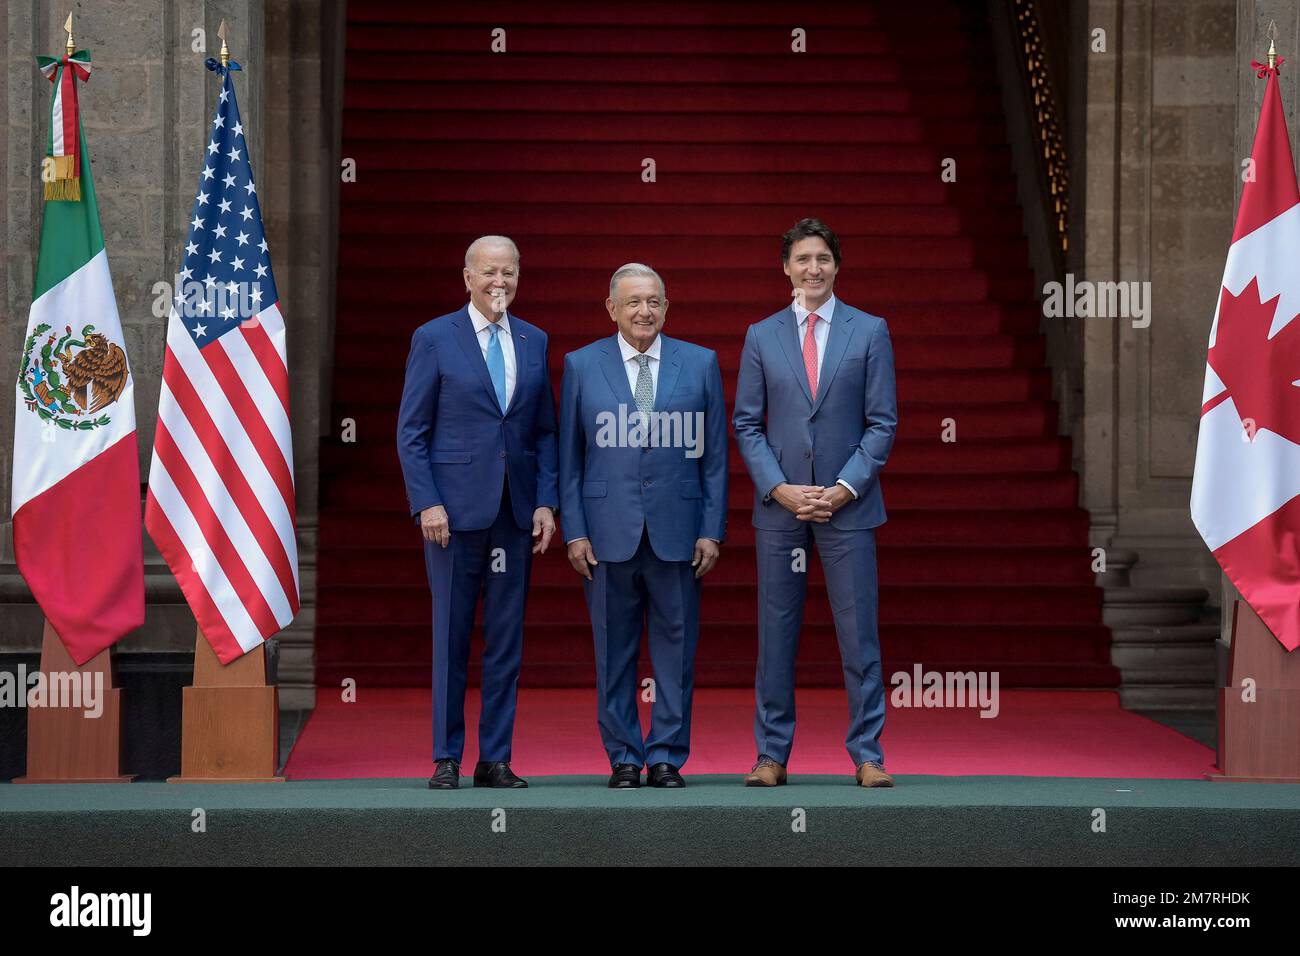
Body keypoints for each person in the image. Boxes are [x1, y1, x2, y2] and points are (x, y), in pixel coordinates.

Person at [732, 218, 899, 788]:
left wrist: (844, 487)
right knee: (775, 635)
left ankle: (868, 754)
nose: (813, 269)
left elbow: (882, 423)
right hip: (780, 508)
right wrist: (778, 487)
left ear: (836, 265)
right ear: (786, 267)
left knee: (859, 634)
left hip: (847, 506)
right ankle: (770, 755)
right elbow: (746, 424)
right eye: (803, 259)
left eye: (823, 258)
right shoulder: (761, 334)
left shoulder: (870, 330)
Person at [396, 235, 558, 790]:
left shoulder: (534, 341)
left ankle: (495, 759)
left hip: (513, 511)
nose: (500, 282)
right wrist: (427, 502)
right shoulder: (435, 338)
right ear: (466, 276)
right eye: (489, 272)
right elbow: (411, 432)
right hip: (452, 513)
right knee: (452, 635)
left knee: (507, 638)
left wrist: (544, 500)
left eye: (509, 272)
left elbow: (544, 431)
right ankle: (447, 757)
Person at [559, 263, 727, 788]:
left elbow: (715, 458)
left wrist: (711, 529)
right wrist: (575, 531)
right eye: (632, 301)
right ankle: (625, 756)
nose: (644, 311)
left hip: (678, 531)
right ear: (611, 309)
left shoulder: (700, 364)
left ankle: (666, 756)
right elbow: (571, 459)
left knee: (676, 651)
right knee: (613, 648)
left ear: (667, 307)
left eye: (653, 301)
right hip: (607, 532)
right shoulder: (581, 365)